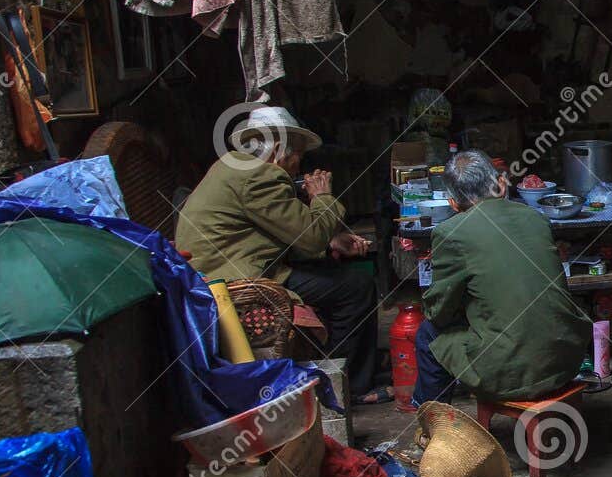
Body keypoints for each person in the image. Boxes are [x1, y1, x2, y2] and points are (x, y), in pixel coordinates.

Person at [175, 106, 389, 405]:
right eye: (297, 155)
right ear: (278, 150)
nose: (298, 165)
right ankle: (350, 384)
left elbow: (285, 232)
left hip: (224, 266)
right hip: (236, 278)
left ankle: (352, 367)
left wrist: (331, 244)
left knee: (334, 273)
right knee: (356, 287)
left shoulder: (235, 166)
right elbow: (311, 235)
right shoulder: (260, 177)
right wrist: (322, 197)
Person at [414, 151, 590, 404]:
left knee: (428, 334)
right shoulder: (535, 217)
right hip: (568, 360)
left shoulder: (451, 232)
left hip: (511, 377)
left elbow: (438, 312)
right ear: (501, 183)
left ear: (453, 203)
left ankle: (433, 426)